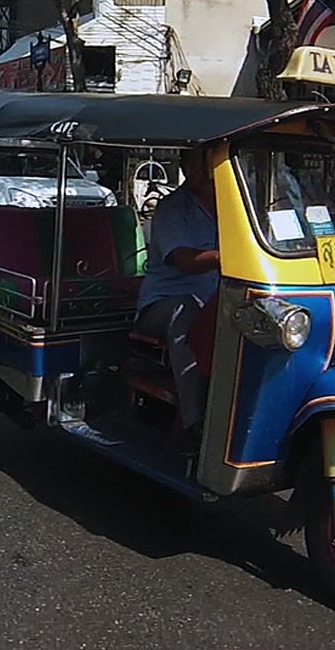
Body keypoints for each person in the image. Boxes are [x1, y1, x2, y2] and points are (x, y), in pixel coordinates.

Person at [135, 147, 219, 446]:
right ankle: (195, 422)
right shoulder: (172, 208)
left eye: (206, 162)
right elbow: (184, 259)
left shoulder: (234, 206)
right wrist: (226, 257)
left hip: (219, 301)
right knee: (188, 315)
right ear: (184, 167)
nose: (201, 170)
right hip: (164, 303)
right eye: (194, 163)